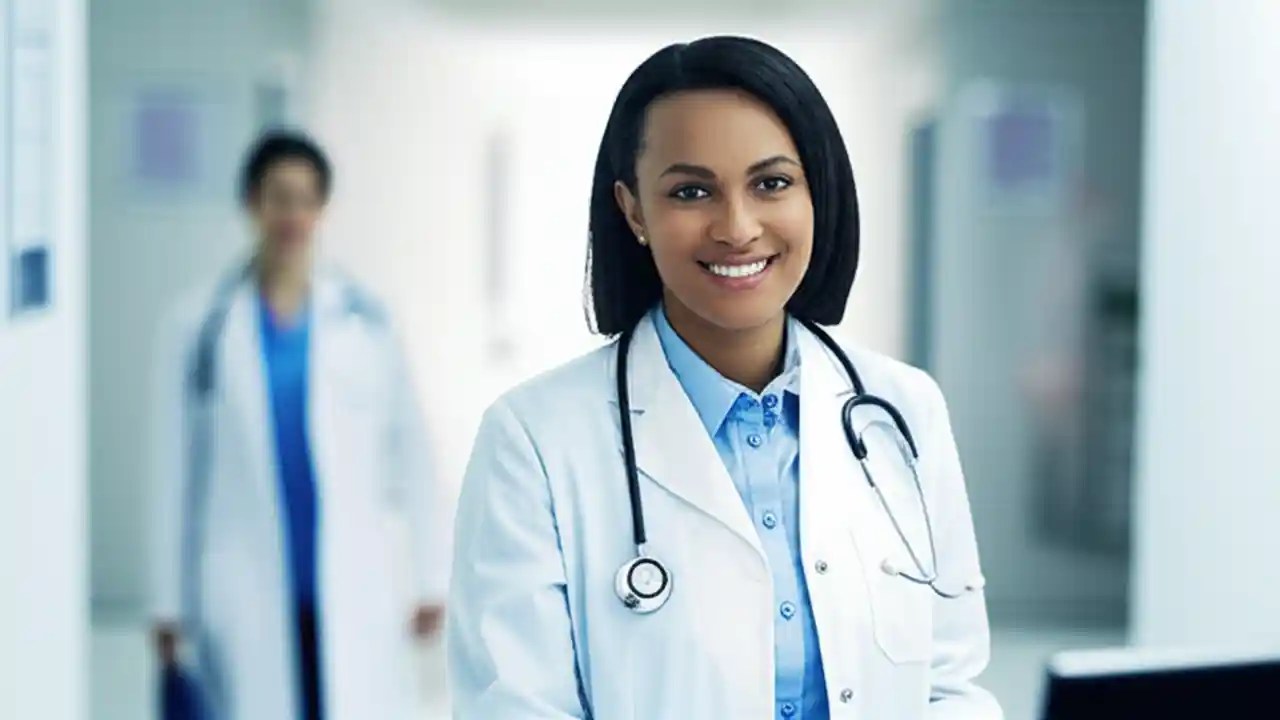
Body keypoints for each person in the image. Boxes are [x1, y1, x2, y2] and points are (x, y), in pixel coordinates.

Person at [447, 36, 1001, 719]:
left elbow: (950, 687)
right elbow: (519, 707)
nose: (737, 228)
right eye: (691, 191)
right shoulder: (533, 441)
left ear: (815, 193)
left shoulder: (904, 411)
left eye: (771, 183)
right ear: (634, 211)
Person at [148, 130, 448, 720]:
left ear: (322, 211)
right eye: (278, 198)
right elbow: (171, 469)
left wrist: (430, 574)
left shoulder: (366, 320)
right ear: (251, 204)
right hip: (242, 582)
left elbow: (412, 451)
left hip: (349, 578)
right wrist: (167, 599)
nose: (292, 215)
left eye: (306, 200)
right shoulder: (198, 325)